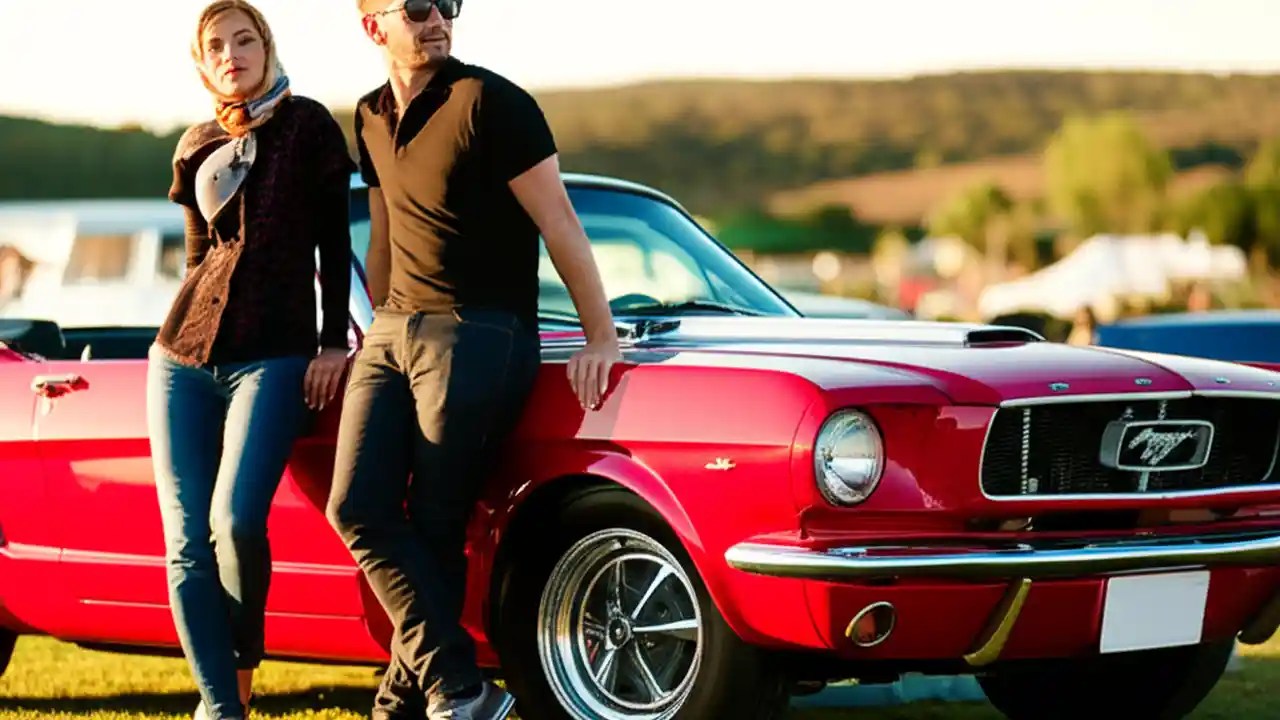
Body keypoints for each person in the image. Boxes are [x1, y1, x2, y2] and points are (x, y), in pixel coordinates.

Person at [325, 0, 621, 718]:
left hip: (478, 330)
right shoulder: (366, 117)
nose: (439, 20)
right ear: (375, 25)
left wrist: (601, 337)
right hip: (393, 330)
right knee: (355, 507)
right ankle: (457, 689)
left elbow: (560, 224)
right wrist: (352, 334)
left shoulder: (492, 102)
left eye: (449, 5)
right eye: (420, 7)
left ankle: (410, 704)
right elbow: (385, 235)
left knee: (434, 522)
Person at [148, 2, 354, 718]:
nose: (232, 53)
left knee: (235, 520)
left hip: (272, 356)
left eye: (245, 39)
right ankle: (221, 708)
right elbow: (197, 259)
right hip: (180, 359)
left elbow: (335, 247)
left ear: (266, 48)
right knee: (185, 541)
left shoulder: (310, 127)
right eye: (217, 46)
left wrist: (333, 344)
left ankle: (241, 666)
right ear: (202, 64)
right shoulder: (196, 142)